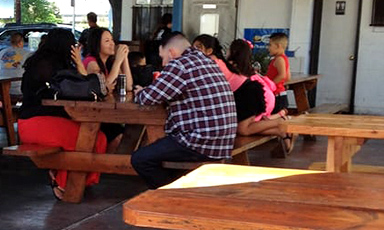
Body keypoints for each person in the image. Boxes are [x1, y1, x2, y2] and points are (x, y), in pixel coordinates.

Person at [131, 32, 237, 188]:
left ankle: (171, 194)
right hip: (223, 141)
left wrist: (140, 91)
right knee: (160, 152)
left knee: (140, 159)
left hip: (201, 142)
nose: (163, 64)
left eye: (162, 58)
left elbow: (147, 98)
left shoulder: (180, 64)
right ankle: (178, 188)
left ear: (171, 53)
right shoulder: (206, 60)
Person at [19, 28, 107, 200]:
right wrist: (79, 64)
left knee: (98, 137)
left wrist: (78, 64)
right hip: (36, 123)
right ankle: (63, 182)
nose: (76, 47)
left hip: (43, 121)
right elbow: (83, 89)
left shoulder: (47, 63)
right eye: (73, 44)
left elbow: (84, 88)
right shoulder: (49, 67)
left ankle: (77, 181)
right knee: (89, 139)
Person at [226, 39, 294, 152]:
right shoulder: (248, 68)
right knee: (248, 127)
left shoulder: (232, 66)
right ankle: (281, 131)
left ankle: (280, 121)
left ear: (234, 52)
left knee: (244, 129)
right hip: (265, 96)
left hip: (257, 97)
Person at [83, 27, 133, 95]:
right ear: (97, 44)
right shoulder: (91, 62)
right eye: (107, 41)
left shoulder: (109, 62)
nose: (112, 43)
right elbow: (102, 88)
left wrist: (124, 57)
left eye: (112, 40)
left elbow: (128, 86)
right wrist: (118, 61)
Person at [0, 31, 32, 97]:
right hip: (21, 89)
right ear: (21, 42)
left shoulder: (0, 53)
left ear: (11, 42)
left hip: (3, 89)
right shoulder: (27, 54)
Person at [265, 31, 291, 113]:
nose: (268, 48)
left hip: (277, 95)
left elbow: (282, 75)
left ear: (278, 46)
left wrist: (269, 85)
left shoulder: (279, 59)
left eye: (270, 45)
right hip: (280, 95)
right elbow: (288, 77)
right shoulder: (284, 58)